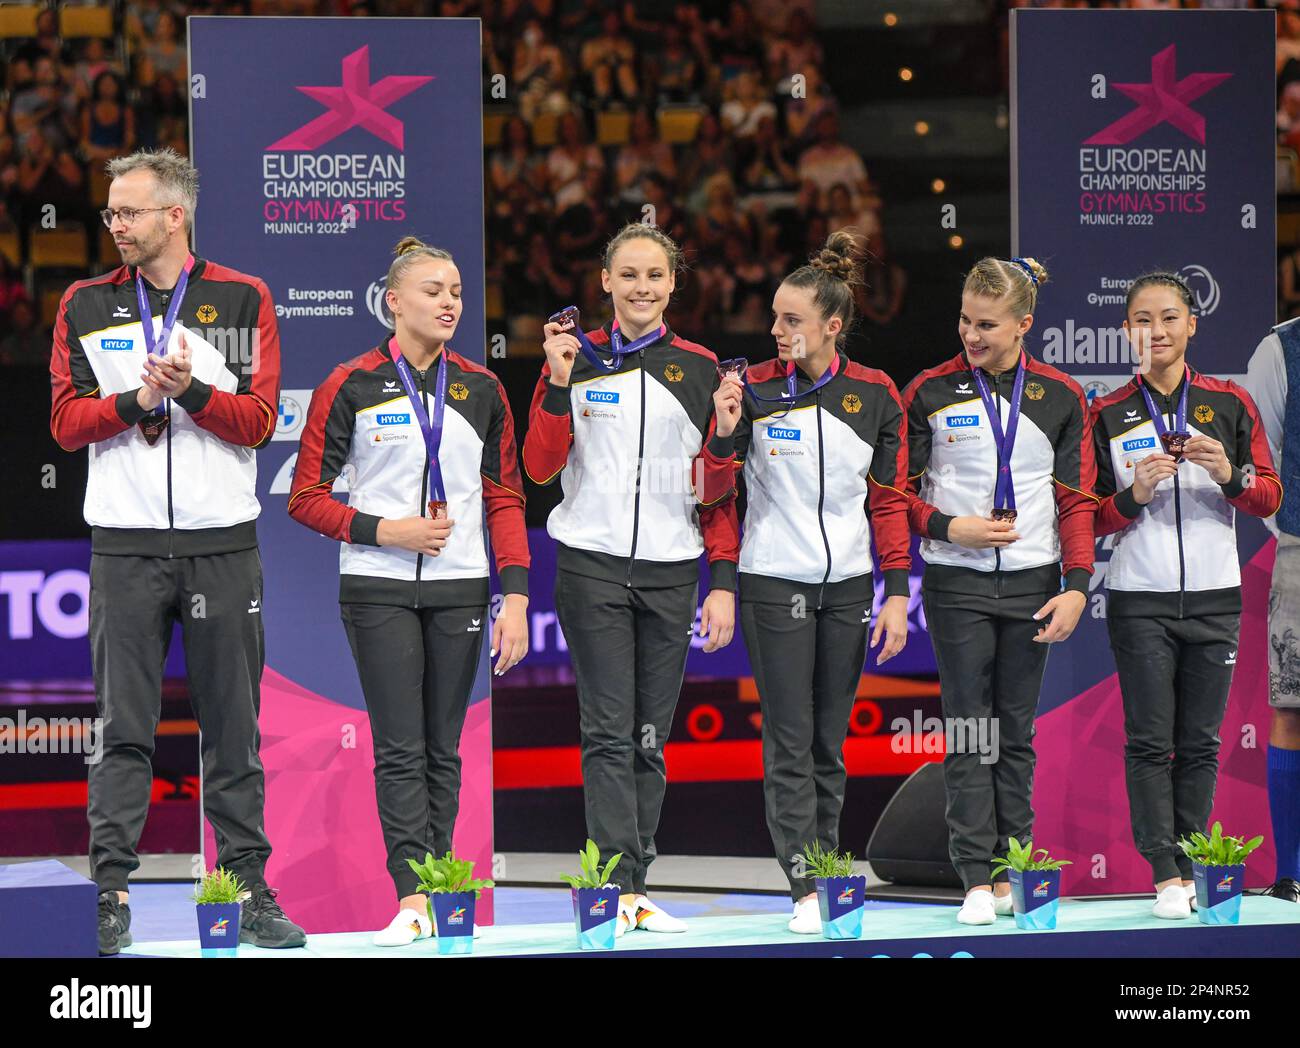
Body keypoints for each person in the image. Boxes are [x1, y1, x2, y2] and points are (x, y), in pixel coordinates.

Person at [48, 147, 304, 954]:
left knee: (234, 726)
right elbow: (64, 423)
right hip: (123, 546)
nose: (114, 225)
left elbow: (261, 422)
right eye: (109, 213)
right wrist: (137, 399)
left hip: (221, 544)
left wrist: (191, 390)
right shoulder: (85, 303)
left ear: (174, 215)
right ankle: (110, 894)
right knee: (123, 726)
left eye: (127, 211)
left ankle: (249, 889)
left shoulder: (240, 296)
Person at [289, 236, 530, 945]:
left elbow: (506, 497)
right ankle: (414, 896)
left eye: (456, 291)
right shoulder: (350, 384)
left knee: (442, 749)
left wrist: (513, 597)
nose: (450, 302)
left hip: (461, 585)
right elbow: (305, 497)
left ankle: (442, 885)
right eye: (434, 291)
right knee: (400, 747)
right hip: (377, 587)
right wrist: (383, 530)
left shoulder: (481, 389)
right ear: (393, 302)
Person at [521, 223, 739, 936]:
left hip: (673, 572)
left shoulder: (702, 367)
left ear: (674, 284)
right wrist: (556, 384)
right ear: (606, 283)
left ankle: (634, 882)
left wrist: (723, 578)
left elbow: (715, 491)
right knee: (611, 732)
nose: (643, 286)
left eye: (656, 275)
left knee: (650, 735)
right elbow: (540, 468)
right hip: (592, 569)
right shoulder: (573, 357)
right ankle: (617, 886)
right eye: (629, 274)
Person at [717, 230, 910, 933]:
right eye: (774, 317)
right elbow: (714, 489)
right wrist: (723, 429)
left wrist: (896, 594)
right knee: (791, 741)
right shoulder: (757, 388)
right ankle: (804, 884)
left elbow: (888, 501)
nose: (776, 331)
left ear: (832, 326)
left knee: (830, 742)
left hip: (851, 588)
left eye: (791, 320)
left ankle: (830, 870)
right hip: (773, 581)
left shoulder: (876, 394)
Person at [902, 256, 1098, 925]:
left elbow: (1076, 502)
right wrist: (950, 525)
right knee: (971, 730)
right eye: (964, 319)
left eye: (987, 324)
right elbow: (894, 496)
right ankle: (975, 880)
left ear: (1023, 325)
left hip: (1033, 585)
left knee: (1014, 733)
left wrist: (1077, 585)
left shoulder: (1062, 397)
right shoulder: (928, 391)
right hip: (956, 584)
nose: (971, 334)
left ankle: (1015, 869)